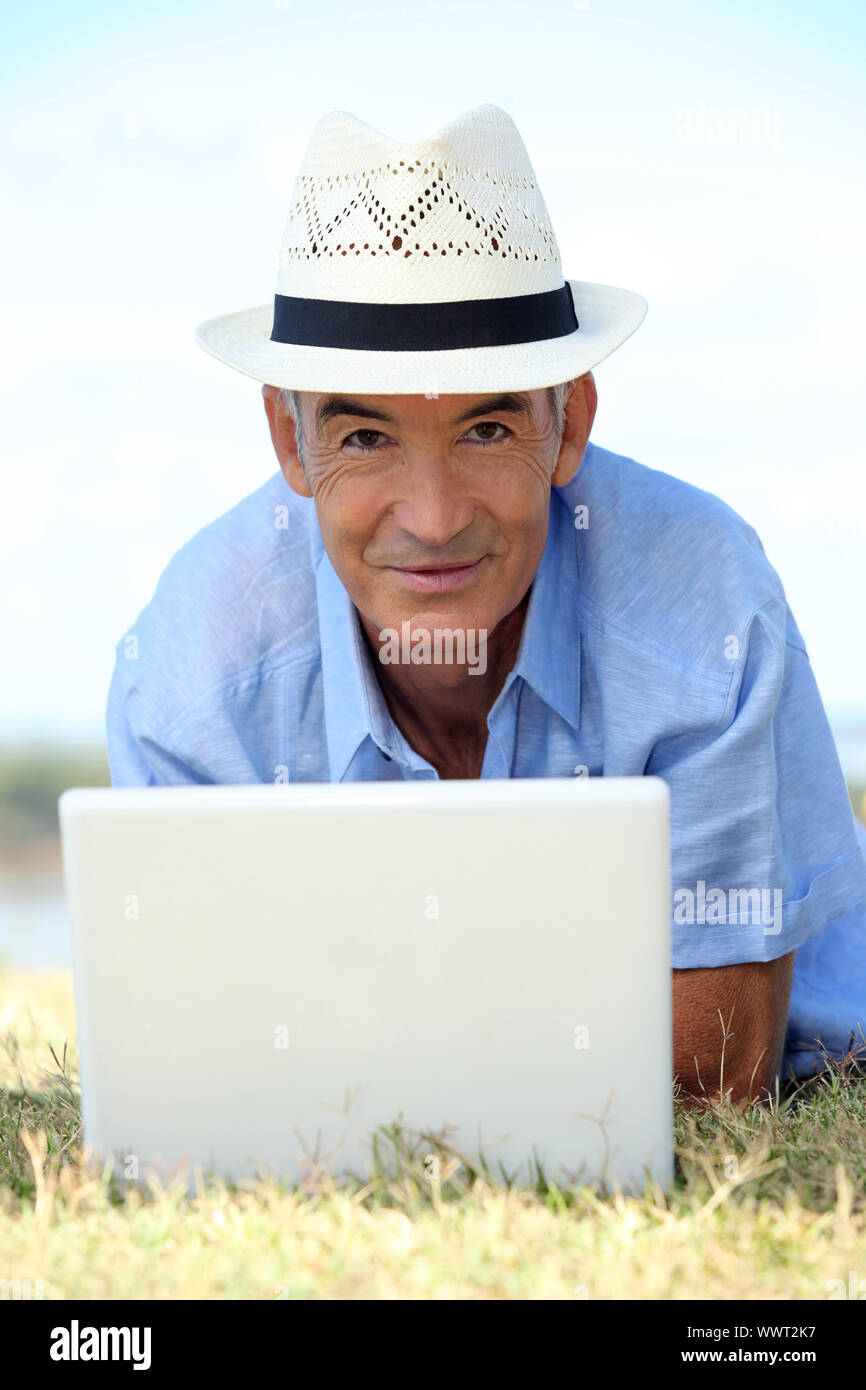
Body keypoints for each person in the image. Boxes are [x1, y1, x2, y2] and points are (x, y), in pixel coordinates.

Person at [106, 103, 866, 1106]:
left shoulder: (699, 604)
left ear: (568, 423)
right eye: (365, 437)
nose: (429, 520)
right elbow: (187, 1073)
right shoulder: (190, 675)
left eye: (486, 429)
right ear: (290, 444)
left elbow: (710, 1080)